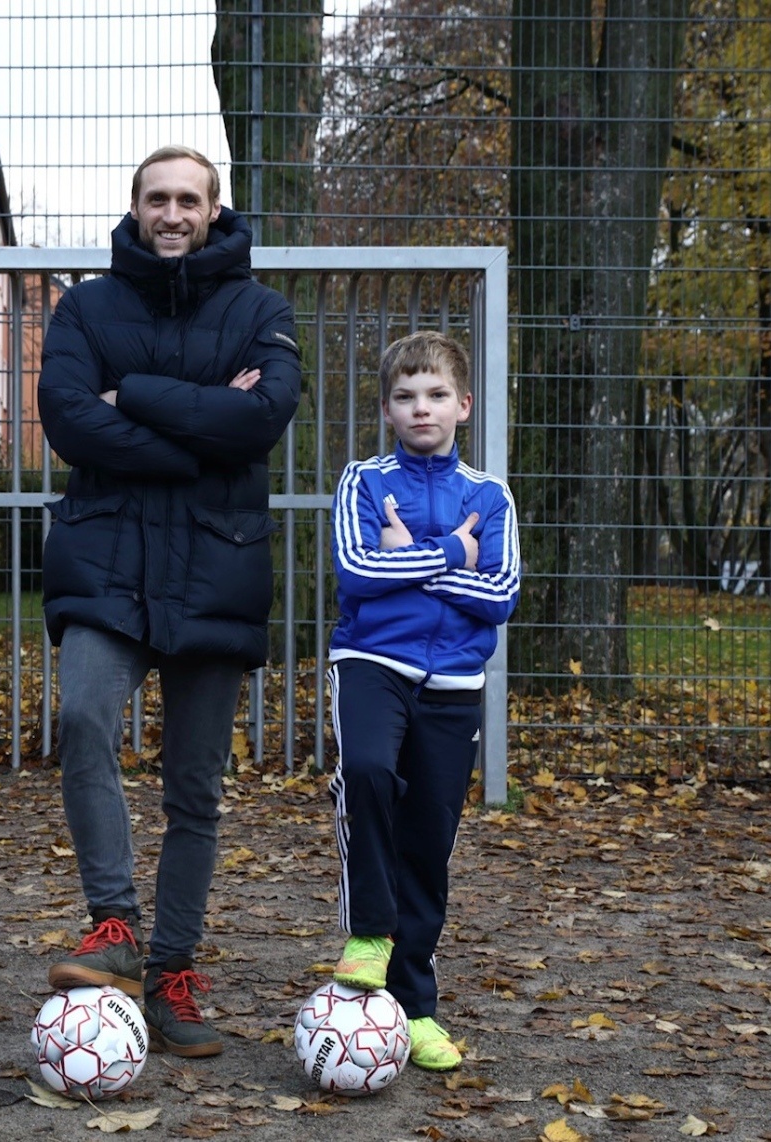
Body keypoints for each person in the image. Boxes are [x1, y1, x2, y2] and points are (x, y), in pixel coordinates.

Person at [37, 145, 301, 1058]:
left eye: (190, 198)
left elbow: (263, 417)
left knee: (196, 789)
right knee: (81, 718)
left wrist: (138, 398)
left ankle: (173, 972)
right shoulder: (86, 305)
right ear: (136, 207)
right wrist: (198, 435)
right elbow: (70, 418)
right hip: (106, 561)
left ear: (214, 209)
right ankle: (113, 923)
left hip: (215, 569)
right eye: (158, 198)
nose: (173, 213)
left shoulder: (261, 309)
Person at [325, 330, 520, 1071]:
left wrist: (405, 559)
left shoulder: (489, 495)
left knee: (430, 844)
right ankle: (370, 934)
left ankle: (416, 1006)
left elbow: (499, 595)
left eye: (437, 394)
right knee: (369, 773)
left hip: (455, 684)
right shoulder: (364, 482)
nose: (422, 408)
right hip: (372, 662)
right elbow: (355, 571)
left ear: (463, 405)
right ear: (387, 409)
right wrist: (450, 555)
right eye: (406, 397)